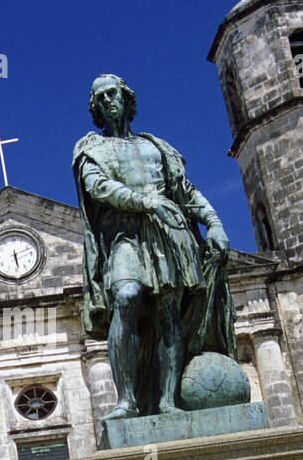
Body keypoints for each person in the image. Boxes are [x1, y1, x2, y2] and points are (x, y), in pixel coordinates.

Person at [72, 73, 236, 418]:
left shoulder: (157, 147)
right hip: (125, 236)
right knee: (126, 296)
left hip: (170, 234)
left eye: (112, 94)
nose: (107, 101)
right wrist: (143, 202)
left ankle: (167, 401)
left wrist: (215, 223)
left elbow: (187, 193)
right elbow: (97, 187)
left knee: (169, 314)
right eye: (99, 98)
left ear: (126, 98)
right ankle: (127, 401)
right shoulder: (91, 147)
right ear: (95, 108)